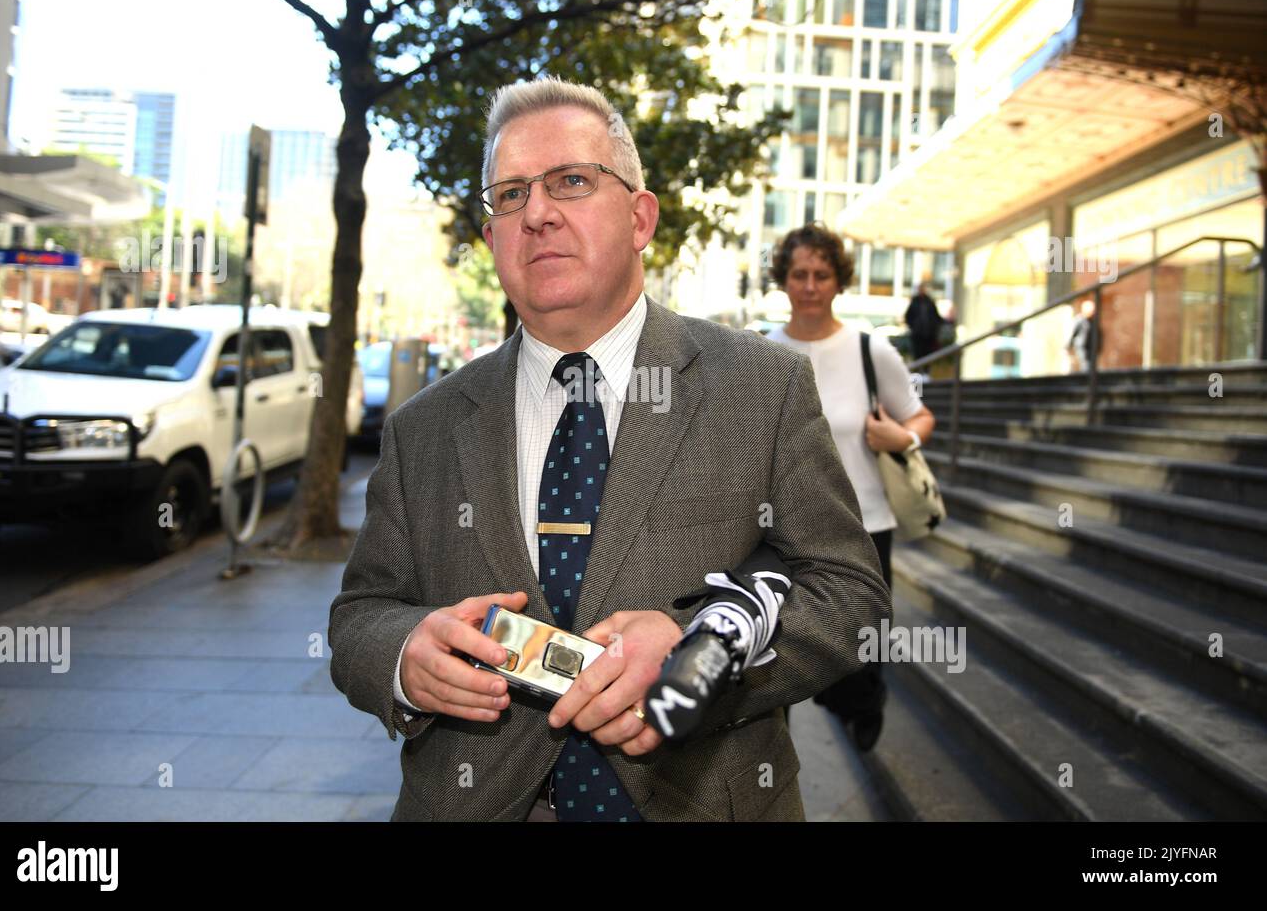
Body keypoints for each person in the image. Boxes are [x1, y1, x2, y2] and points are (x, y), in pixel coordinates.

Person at [328, 78, 890, 822]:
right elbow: (360, 613)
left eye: (570, 181)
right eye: (510, 195)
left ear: (639, 217)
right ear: (492, 234)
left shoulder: (762, 387)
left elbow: (849, 594)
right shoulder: (421, 428)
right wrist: (405, 656)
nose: (538, 214)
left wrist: (703, 656)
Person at [766, 223, 935, 752]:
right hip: (782, 532)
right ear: (784, 280)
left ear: (839, 281)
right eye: (800, 274)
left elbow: (920, 415)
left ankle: (863, 701)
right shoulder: (761, 352)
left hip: (866, 524)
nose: (810, 285)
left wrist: (900, 435)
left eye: (822, 274)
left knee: (860, 649)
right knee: (781, 647)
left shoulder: (870, 350)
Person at [904, 280, 942, 365]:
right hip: (917, 335)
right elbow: (908, 317)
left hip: (929, 335)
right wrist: (914, 327)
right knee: (918, 355)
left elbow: (936, 317)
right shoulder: (915, 301)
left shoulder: (930, 301)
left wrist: (935, 328)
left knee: (927, 356)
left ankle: (926, 373)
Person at [1067, 298, 1102, 372]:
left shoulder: (1093, 321)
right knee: (1085, 365)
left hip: (1092, 347)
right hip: (1082, 347)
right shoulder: (1079, 320)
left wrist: (1099, 346)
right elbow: (1073, 333)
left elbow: (1099, 334)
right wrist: (1068, 346)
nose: (1092, 312)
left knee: (1091, 365)